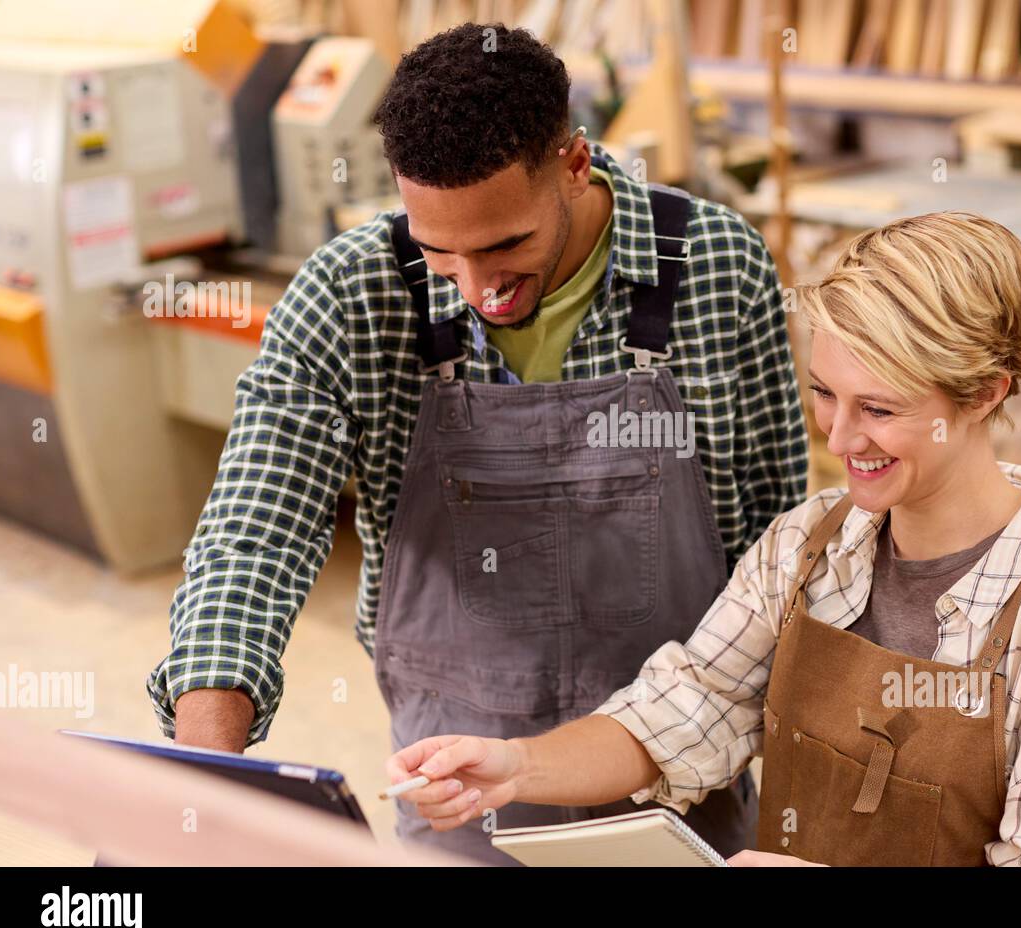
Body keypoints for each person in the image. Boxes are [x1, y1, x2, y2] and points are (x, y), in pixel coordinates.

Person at [146, 24, 808, 865]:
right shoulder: (351, 292)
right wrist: (207, 769)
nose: (477, 287)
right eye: (439, 253)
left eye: (505, 246)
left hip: (677, 789)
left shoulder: (715, 265)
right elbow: (253, 534)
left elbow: (780, 553)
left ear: (575, 164)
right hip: (458, 794)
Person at [387, 211, 1021, 866]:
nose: (838, 436)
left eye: (881, 408)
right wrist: (516, 767)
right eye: (825, 393)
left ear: (985, 393)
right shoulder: (809, 546)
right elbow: (687, 709)